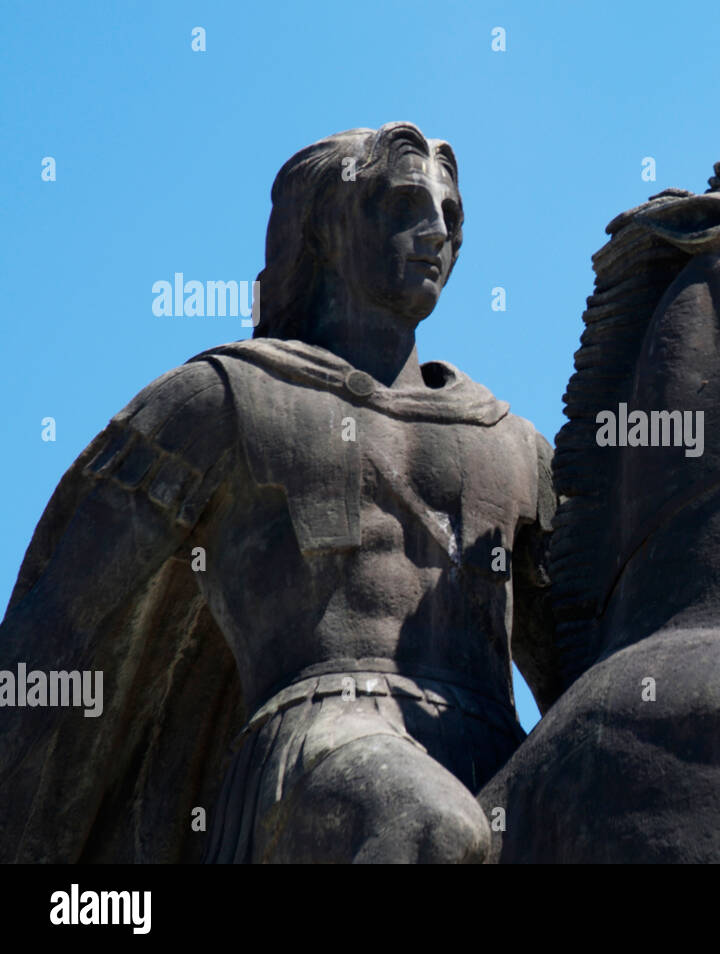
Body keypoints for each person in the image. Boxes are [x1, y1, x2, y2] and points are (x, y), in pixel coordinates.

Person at [0, 122, 561, 863]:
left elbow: (589, 661)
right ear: (324, 227)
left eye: (450, 215)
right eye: (402, 207)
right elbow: (59, 636)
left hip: (498, 750)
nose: (435, 233)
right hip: (321, 749)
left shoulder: (514, 444)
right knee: (428, 824)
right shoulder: (225, 401)